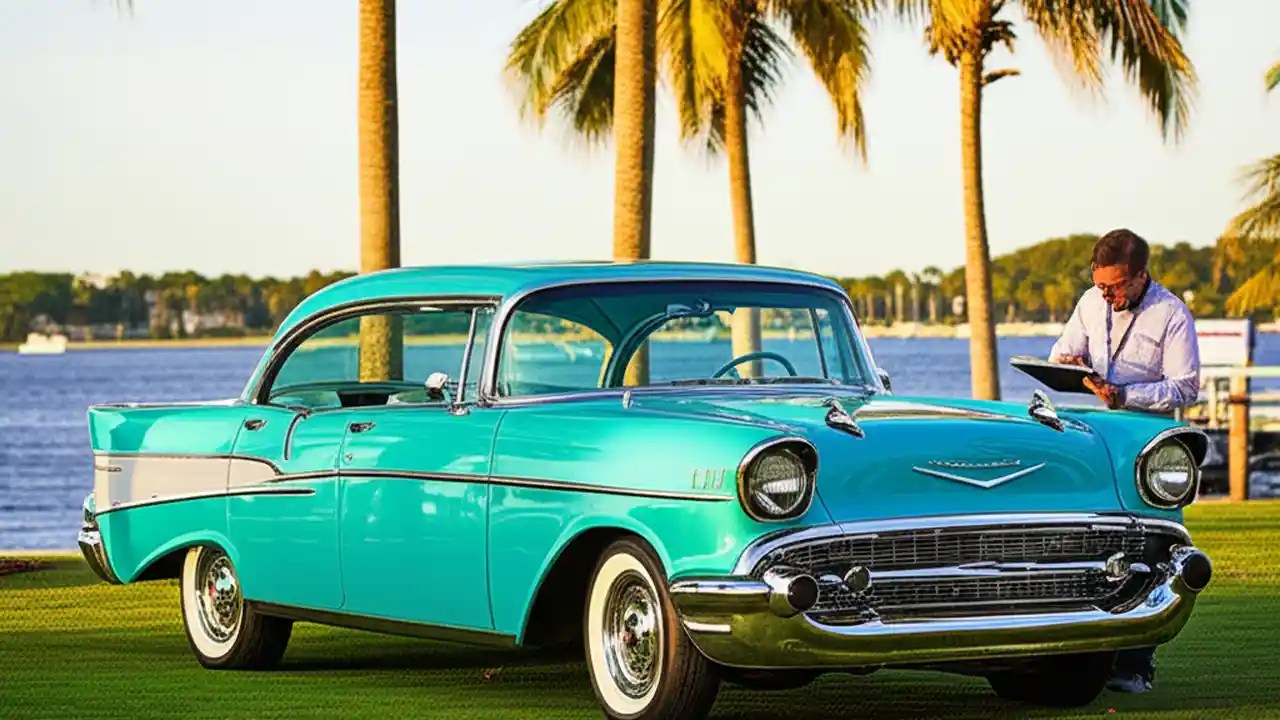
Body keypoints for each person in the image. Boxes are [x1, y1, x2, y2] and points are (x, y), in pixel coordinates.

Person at [1048, 228, 1202, 694]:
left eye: (1115, 287)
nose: (1107, 295)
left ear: (1139, 276)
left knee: (1149, 545)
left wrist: (1126, 394)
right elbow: (1060, 357)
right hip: (1091, 438)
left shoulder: (1171, 313)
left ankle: (1136, 663)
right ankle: (1083, 652)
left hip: (1144, 440)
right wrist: (1073, 367)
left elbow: (1186, 387)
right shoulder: (1090, 304)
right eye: (1101, 285)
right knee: (1089, 540)